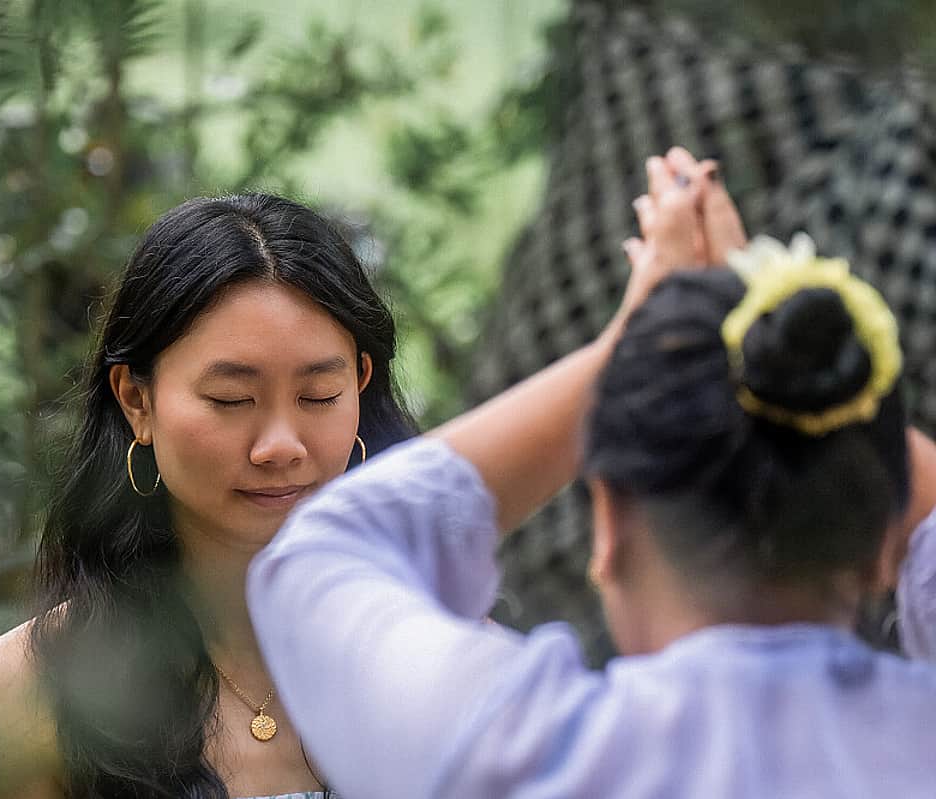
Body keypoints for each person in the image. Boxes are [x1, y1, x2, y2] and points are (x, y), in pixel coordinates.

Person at [248, 150, 936, 797]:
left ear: (607, 524)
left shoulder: (528, 753)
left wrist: (636, 342)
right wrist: (801, 369)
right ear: (883, 539)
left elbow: (329, 547)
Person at [0, 193, 416, 798]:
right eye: (232, 399)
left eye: (319, 396)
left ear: (359, 385)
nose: (280, 445)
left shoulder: (436, 654)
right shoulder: (30, 686)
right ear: (136, 400)